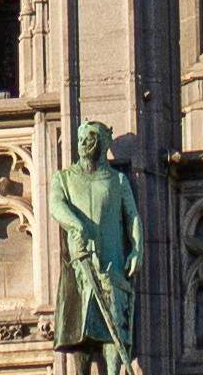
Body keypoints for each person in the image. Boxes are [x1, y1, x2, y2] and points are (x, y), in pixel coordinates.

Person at [54, 115, 142, 356]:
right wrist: (76, 225)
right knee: (78, 328)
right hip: (80, 261)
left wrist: (137, 250)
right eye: (81, 138)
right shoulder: (64, 178)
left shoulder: (118, 180)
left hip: (112, 263)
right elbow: (56, 205)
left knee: (114, 328)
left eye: (90, 138)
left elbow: (132, 217)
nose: (83, 143)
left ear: (102, 143)